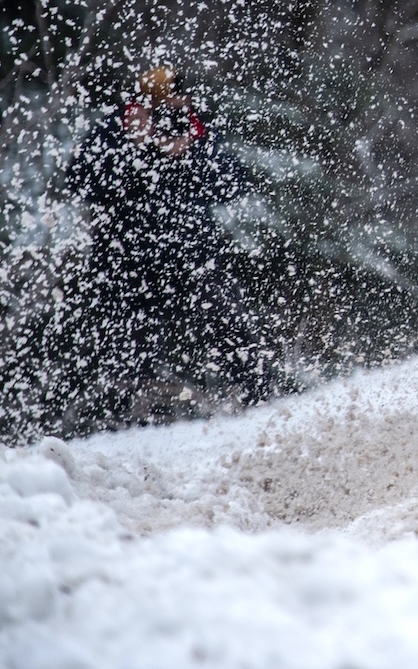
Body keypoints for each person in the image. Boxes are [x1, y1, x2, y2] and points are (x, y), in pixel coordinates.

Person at [60, 66, 274, 415]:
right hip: (125, 261)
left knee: (231, 326)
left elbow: (234, 183)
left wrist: (187, 151)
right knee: (126, 350)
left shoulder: (194, 131)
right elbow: (80, 180)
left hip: (193, 257)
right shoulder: (115, 131)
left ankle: (259, 403)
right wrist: (134, 149)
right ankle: (122, 420)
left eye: (172, 105)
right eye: (157, 106)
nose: (165, 115)